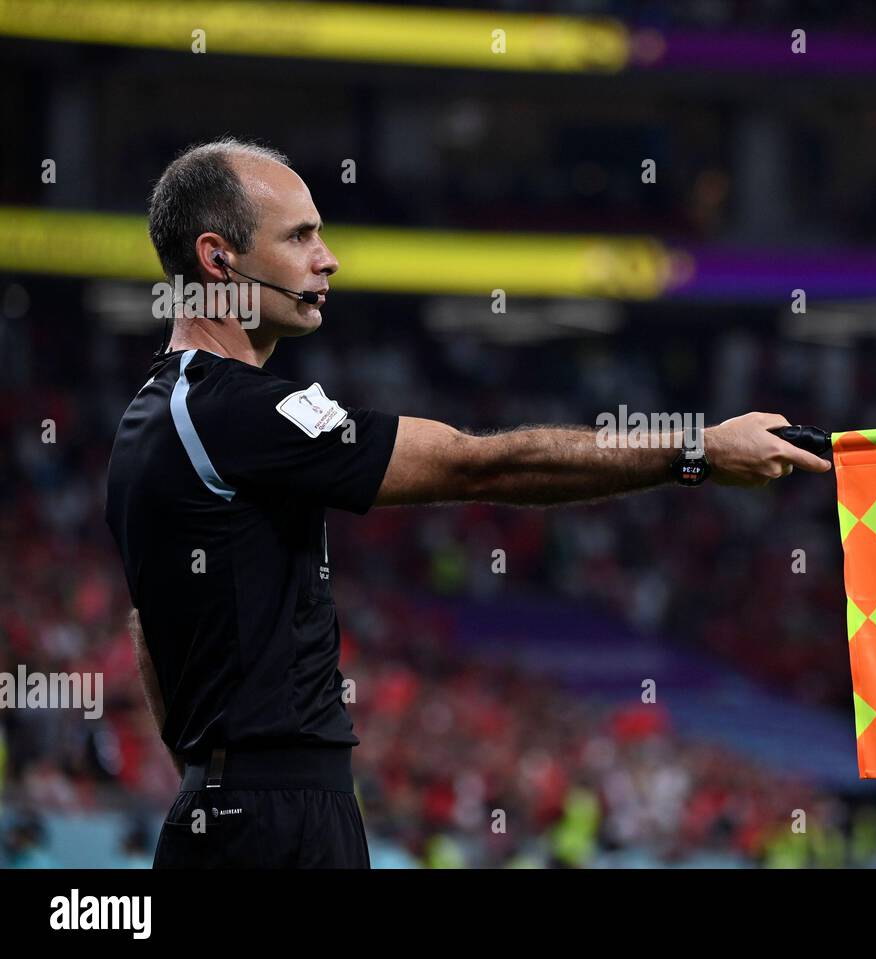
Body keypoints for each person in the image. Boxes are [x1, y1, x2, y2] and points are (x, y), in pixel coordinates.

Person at [104, 137, 830, 869]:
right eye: (299, 236)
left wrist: (208, 777)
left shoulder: (151, 419)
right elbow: (476, 465)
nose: (328, 259)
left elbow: (148, 628)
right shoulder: (240, 412)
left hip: (228, 805)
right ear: (217, 257)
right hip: (276, 817)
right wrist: (696, 450)